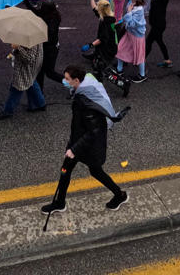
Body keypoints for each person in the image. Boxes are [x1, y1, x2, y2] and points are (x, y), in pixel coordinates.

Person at [40, 65, 129, 215]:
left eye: (67, 79)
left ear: (76, 80)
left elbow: (93, 131)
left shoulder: (86, 102)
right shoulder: (81, 91)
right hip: (78, 142)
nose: (65, 81)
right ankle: (59, 202)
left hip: (89, 146)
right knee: (66, 170)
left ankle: (120, 195)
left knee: (95, 171)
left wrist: (73, 149)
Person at [0, 41, 45, 120]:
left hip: (26, 67)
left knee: (17, 87)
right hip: (35, 65)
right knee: (31, 81)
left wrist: (18, 48)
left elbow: (29, 59)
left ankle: (7, 110)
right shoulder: (32, 34)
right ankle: (40, 103)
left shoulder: (30, 39)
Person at [25, 0, 64, 92]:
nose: (39, 8)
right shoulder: (48, 15)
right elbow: (34, 11)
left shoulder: (53, 19)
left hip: (50, 50)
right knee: (40, 72)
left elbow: (50, 33)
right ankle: (40, 94)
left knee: (49, 72)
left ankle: (71, 84)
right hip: (46, 48)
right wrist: (26, 1)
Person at [114, 0, 148, 83]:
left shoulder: (139, 10)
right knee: (120, 48)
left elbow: (133, 24)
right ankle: (119, 69)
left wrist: (129, 12)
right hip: (129, 33)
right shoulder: (132, 3)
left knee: (139, 55)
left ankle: (142, 75)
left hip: (137, 36)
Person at [83, 0, 119, 79]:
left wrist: (90, 45)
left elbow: (102, 39)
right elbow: (95, 9)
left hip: (107, 49)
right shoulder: (109, 16)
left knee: (100, 66)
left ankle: (102, 78)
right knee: (99, 60)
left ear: (101, 10)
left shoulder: (105, 23)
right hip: (111, 46)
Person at [145, 0, 173, 68]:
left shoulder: (163, 0)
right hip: (157, 25)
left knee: (149, 42)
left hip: (158, 25)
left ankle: (142, 59)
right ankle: (167, 60)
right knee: (159, 41)